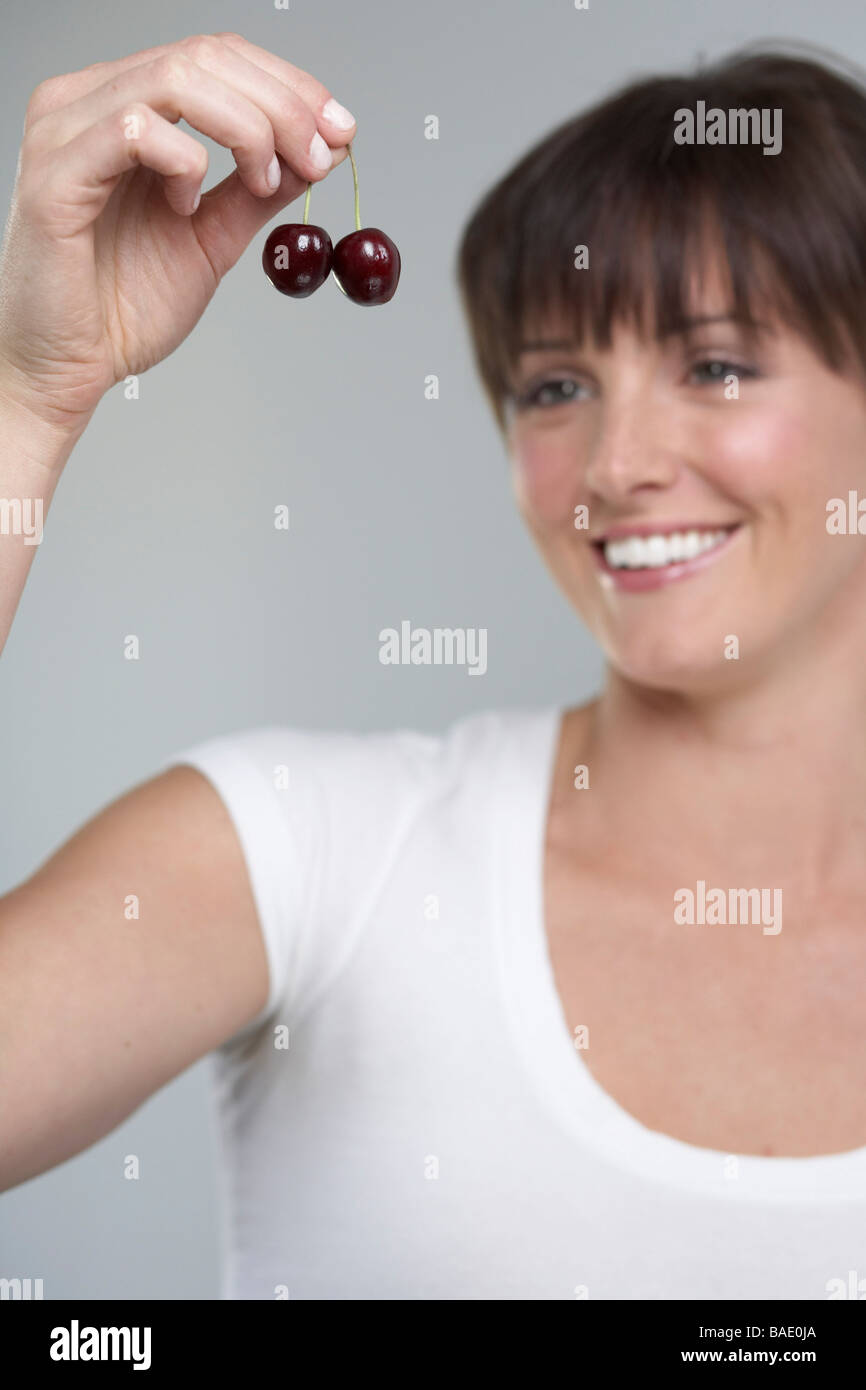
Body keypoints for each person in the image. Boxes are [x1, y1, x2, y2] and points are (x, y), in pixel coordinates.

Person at [1, 31, 864, 1301]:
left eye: (716, 364)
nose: (615, 463)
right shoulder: (305, 855)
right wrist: (30, 399)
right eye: (555, 383)